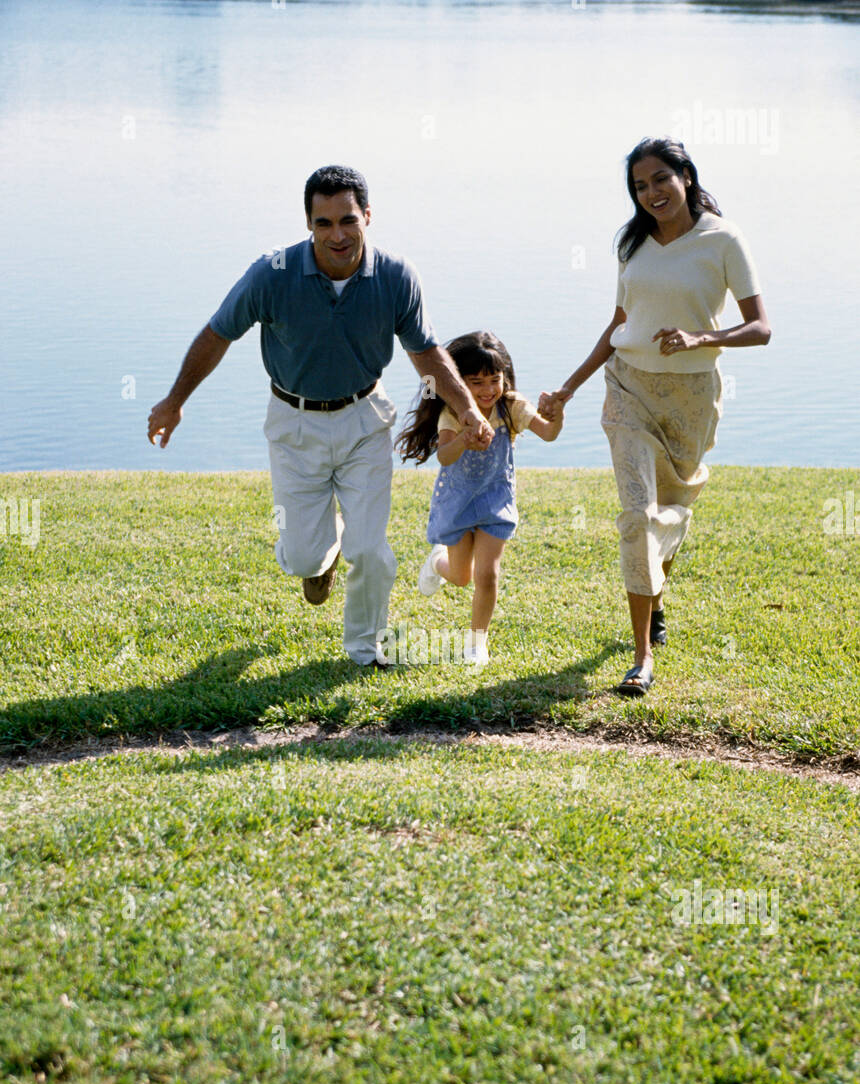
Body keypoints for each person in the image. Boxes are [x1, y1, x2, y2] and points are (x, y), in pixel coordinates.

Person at [147, 165, 493, 668]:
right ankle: (319, 555)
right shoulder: (272, 273)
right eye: (323, 223)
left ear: (368, 217)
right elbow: (218, 333)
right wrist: (175, 400)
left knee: (371, 549)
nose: (337, 235)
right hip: (294, 423)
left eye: (347, 220)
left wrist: (466, 410)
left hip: (364, 419)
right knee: (305, 555)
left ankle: (364, 649)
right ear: (308, 223)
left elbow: (427, 354)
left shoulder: (396, 275)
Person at [547, 137, 771, 696]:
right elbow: (620, 322)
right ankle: (642, 657)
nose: (651, 194)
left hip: (692, 397)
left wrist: (703, 335)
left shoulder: (723, 239)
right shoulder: (633, 243)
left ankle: (656, 595)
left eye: (660, 181)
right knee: (635, 515)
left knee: (668, 512)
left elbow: (761, 327)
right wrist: (570, 387)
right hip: (627, 388)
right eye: (640, 186)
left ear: (687, 177)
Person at [397, 331, 563, 666]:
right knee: (461, 577)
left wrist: (556, 413)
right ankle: (436, 561)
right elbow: (444, 456)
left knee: (487, 574)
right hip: (458, 502)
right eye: (476, 382)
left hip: (495, 499)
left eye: (494, 380)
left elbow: (548, 433)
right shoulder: (454, 412)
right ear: (459, 383)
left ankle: (476, 644)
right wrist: (464, 441)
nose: (488, 391)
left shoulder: (511, 406)